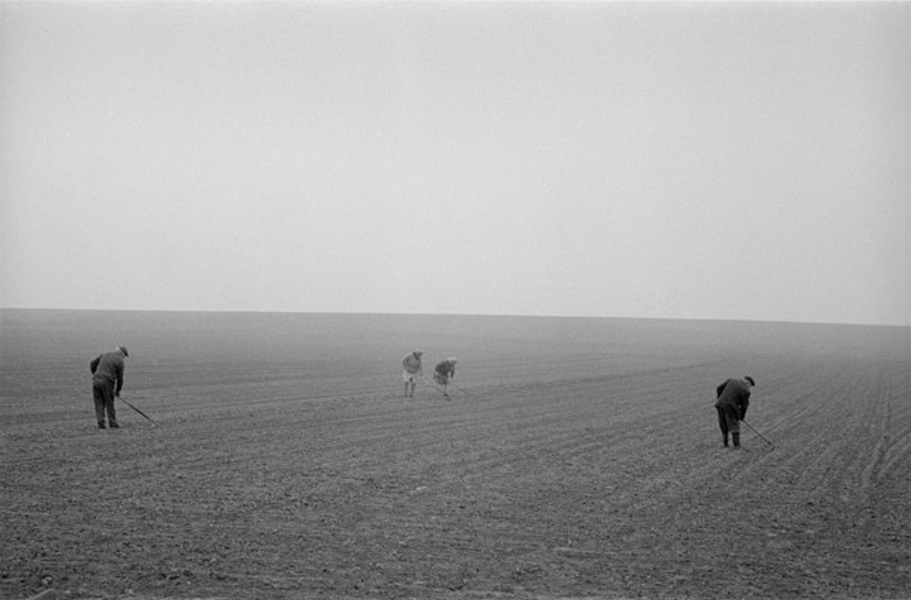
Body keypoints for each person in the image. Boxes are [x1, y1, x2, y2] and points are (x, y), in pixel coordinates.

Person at [90, 346, 129, 429]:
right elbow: (120, 378)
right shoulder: (120, 361)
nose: (124, 357)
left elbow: (92, 363)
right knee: (109, 403)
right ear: (122, 353)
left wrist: (95, 374)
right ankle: (113, 423)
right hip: (107, 382)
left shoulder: (104, 355)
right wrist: (118, 390)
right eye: (124, 356)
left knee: (99, 402)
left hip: (96, 381)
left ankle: (100, 422)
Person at [714, 375, 755, 448]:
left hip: (720, 404)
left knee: (723, 423)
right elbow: (744, 406)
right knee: (734, 425)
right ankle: (736, 445)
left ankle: (725, 444)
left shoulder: (731, 380)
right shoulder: (746, 391)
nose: (749, 388)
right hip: (731, 408)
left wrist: (719, 398)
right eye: (750, 386)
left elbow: (718, 388)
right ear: (748, 383)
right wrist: (741, 417)